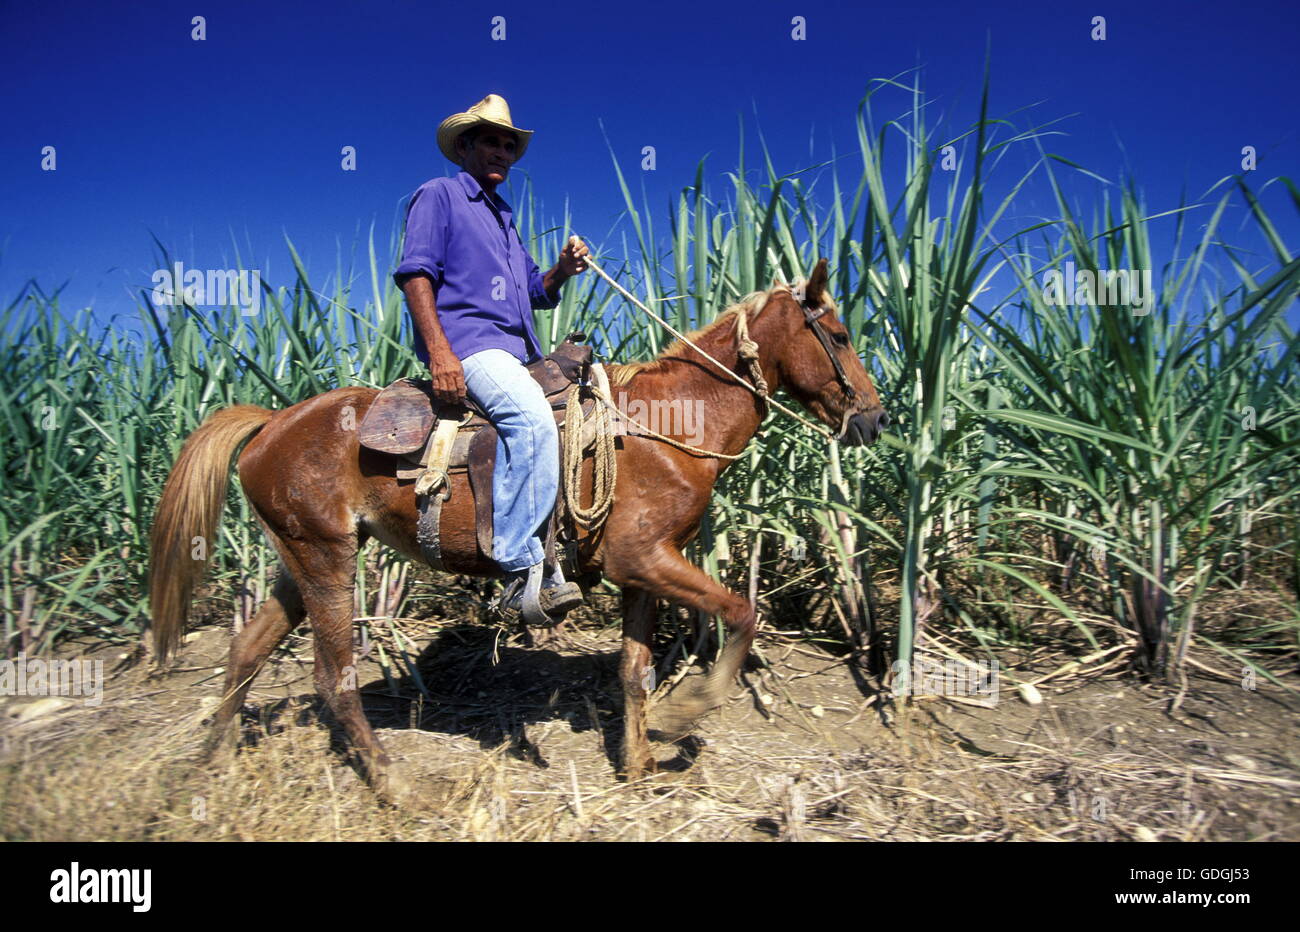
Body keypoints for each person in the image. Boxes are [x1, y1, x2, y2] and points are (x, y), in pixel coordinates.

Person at [393, 94, 587, 623]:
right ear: (464, 147)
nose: (503, 151)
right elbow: (416, 274)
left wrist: (563, 270)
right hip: (473, 346)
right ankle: (521, 568)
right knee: (530, 420)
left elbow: (535, 291)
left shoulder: (504, 218)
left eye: (509, 144)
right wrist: (441, 353)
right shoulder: (439, 197)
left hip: (520, 351)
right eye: (491, 142)